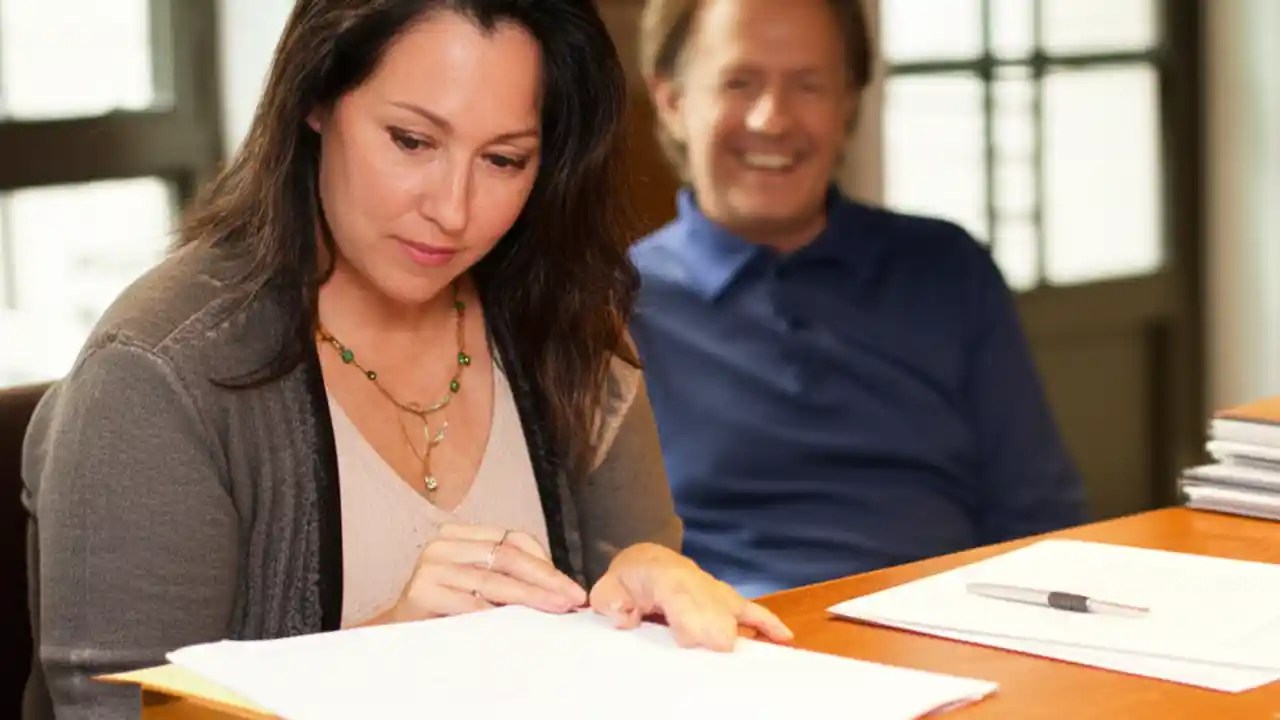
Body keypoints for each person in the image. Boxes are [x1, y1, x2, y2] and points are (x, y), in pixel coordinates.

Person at [19, 1, 794, 717]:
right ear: (315, 100)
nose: (453, 211)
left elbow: (631, 667)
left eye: (504, 160)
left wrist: (654, 597)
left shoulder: (561, 323)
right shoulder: (157, 375)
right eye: (412, 141)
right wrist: (383, 656)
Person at [630, 0, 1087, 599]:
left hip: (953, 635)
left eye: (809, 85)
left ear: (849, 104)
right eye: (739, 82)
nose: (773, 119)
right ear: (671, 101)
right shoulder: (609, 308)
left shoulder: (947, 269)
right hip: (727, 651)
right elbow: (605, 561)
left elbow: (1041, 516)